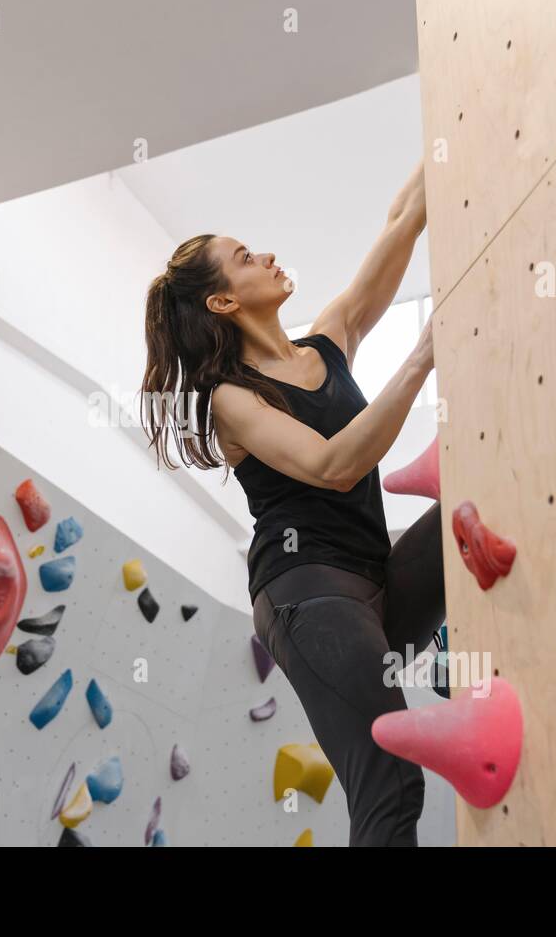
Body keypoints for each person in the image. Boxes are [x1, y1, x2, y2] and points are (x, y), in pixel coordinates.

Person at [140, 162, 445, 845]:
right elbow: (333, 466)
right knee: (391, 776)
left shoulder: (328, 340)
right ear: (222, 302)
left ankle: (469, 665)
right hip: (309, 598)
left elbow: (402, 221)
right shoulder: (232, 399)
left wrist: (443, 151)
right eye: (245, 258)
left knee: (472, 507)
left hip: (378, 583)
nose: (268, 256)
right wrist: (422, 358)